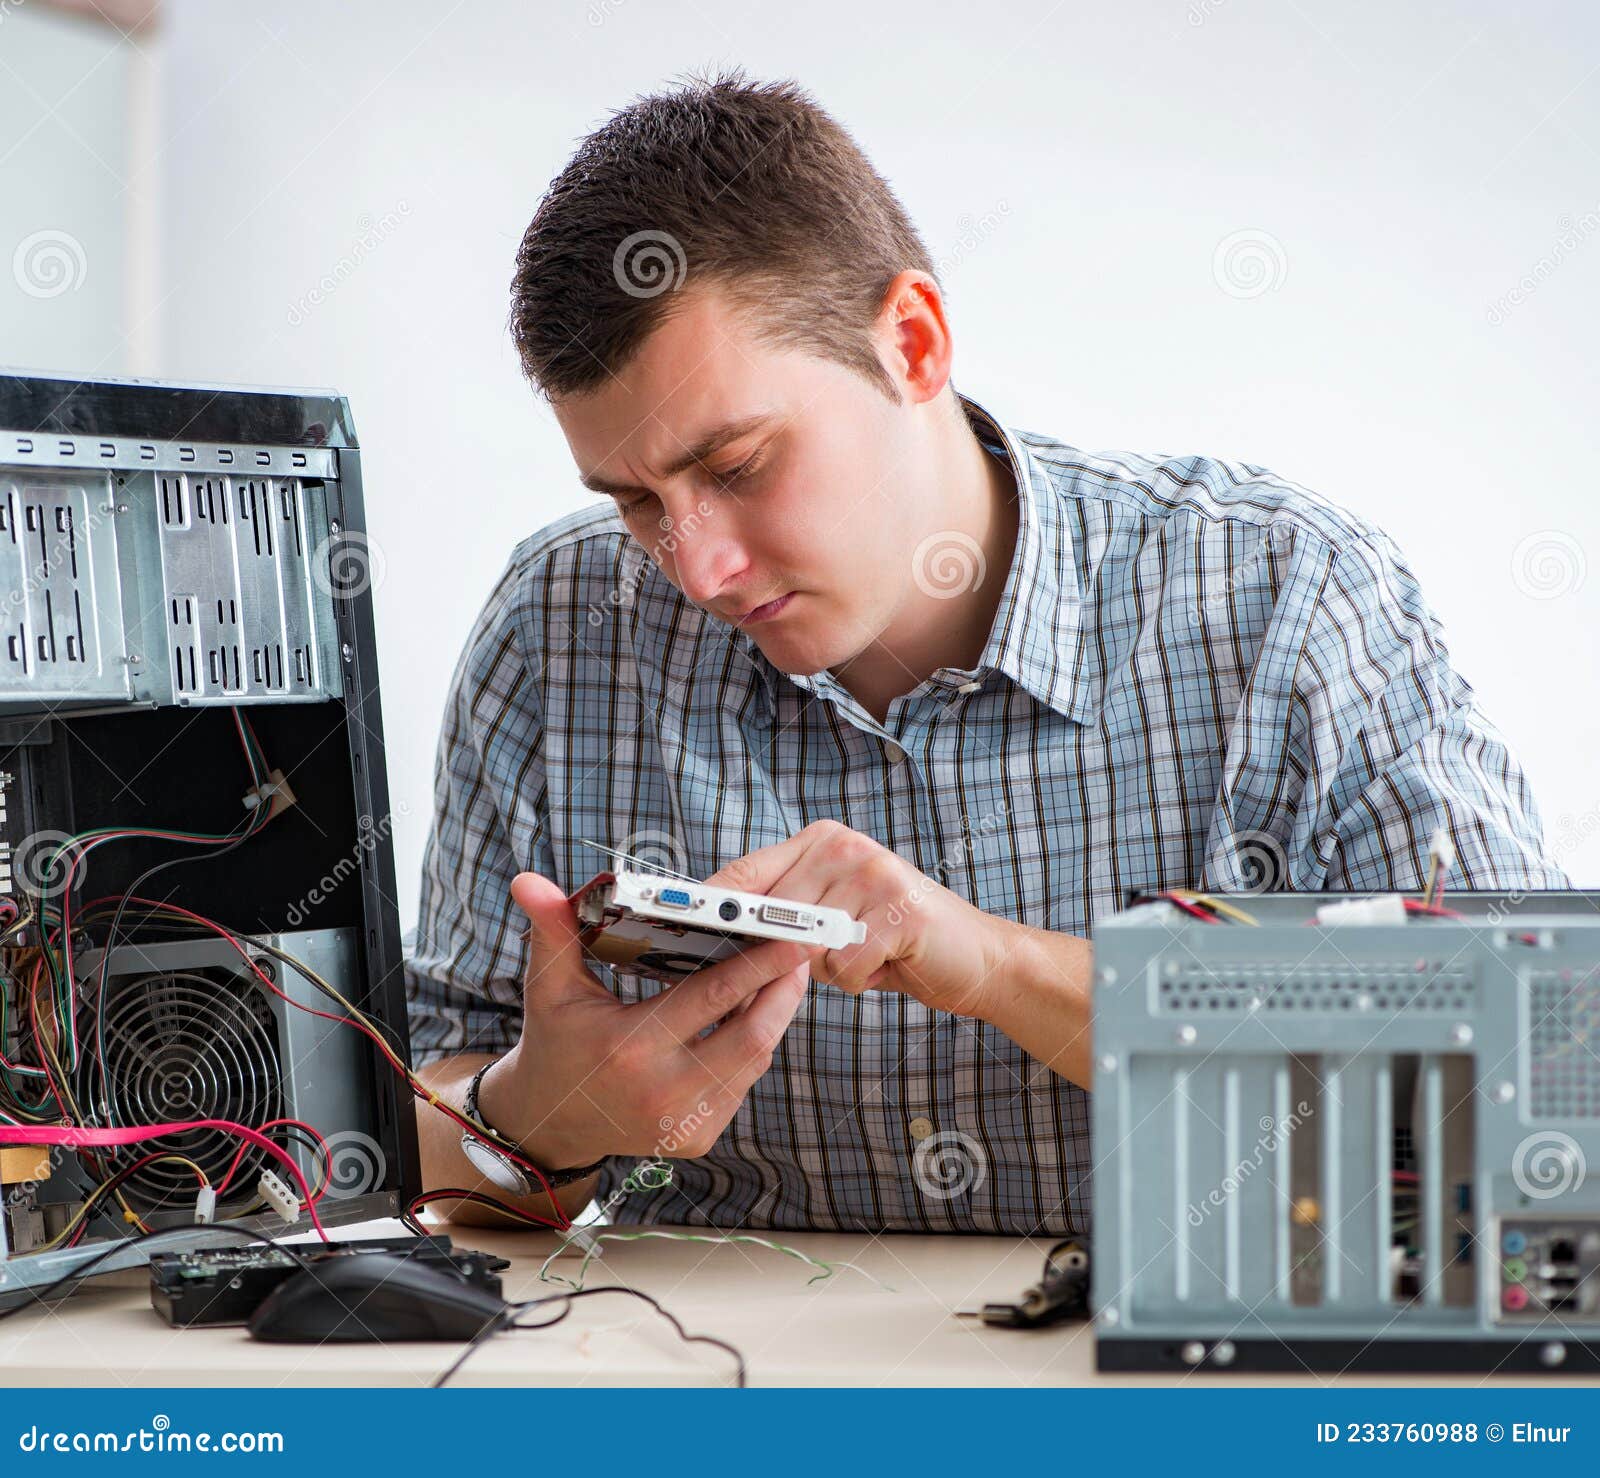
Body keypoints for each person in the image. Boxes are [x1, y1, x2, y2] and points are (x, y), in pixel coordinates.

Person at [403, 68, 1566, 1238]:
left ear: (912, 343)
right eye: (636, 501)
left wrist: (988, 962)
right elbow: (399, 1119)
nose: (697, 568)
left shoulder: (1282, 595)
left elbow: (1531, 1060)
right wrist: (538, 1118)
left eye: (739, 466)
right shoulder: (556, 624)